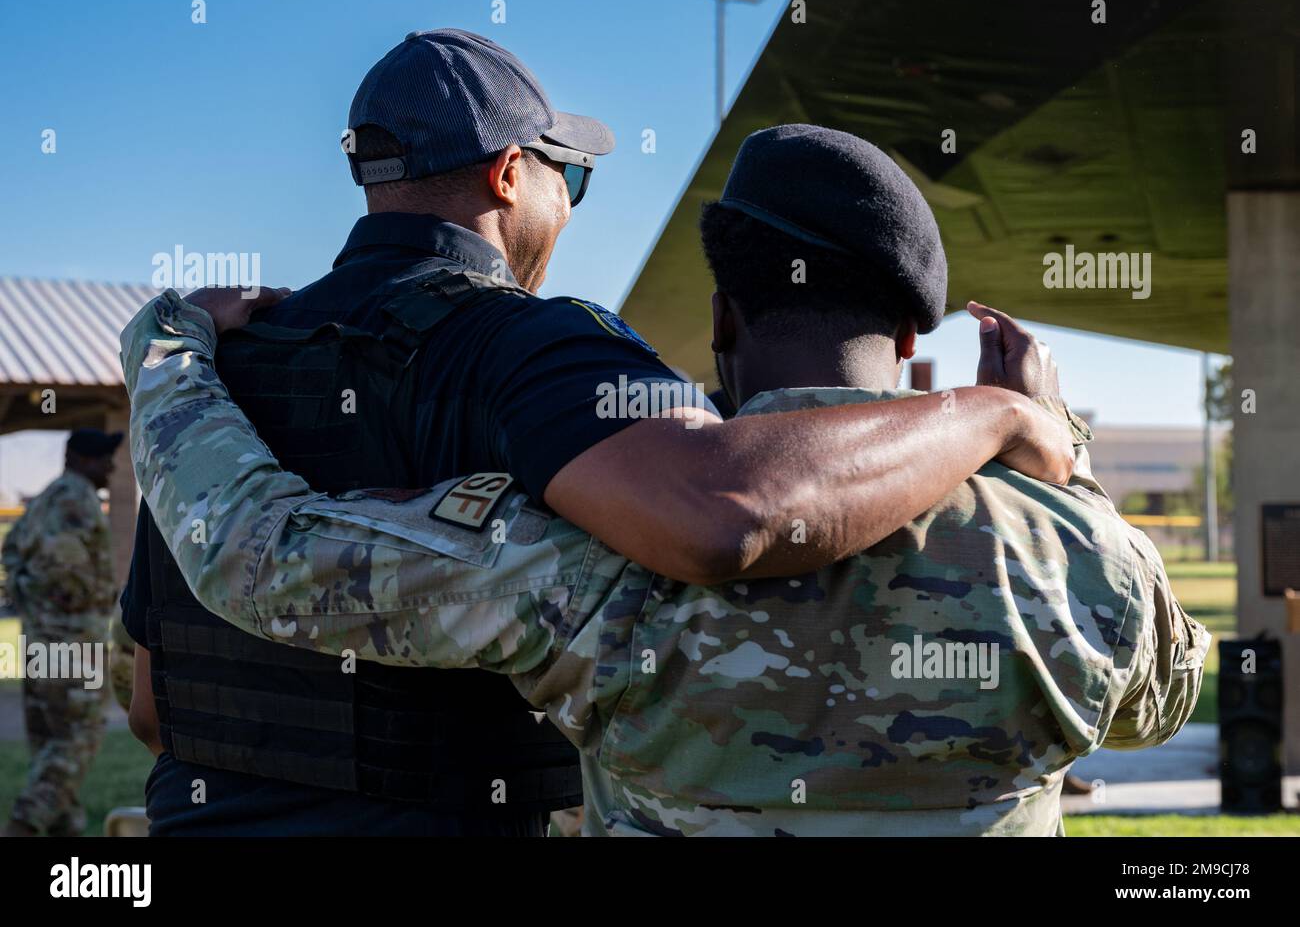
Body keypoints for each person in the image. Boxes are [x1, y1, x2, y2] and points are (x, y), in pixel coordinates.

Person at [121, 125, 1209, 835]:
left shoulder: (579, 556)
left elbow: (248, 552)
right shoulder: (1082, 560)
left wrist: (172, 350)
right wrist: (1063, 465)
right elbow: (1160, 699)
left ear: (725, 319)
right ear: (910, 351)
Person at [2, 428, 120, 837]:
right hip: (73, 646)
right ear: (81, 459)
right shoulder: (75, 498)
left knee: (51, 743)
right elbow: (64, 569)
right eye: (105, 458)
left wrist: (33, 604)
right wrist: (81, 604)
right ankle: (22, 826)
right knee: (76, 740)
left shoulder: (47, 497)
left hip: (41, 641)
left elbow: (13, 550)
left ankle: (65, 831)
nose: (112, 466)